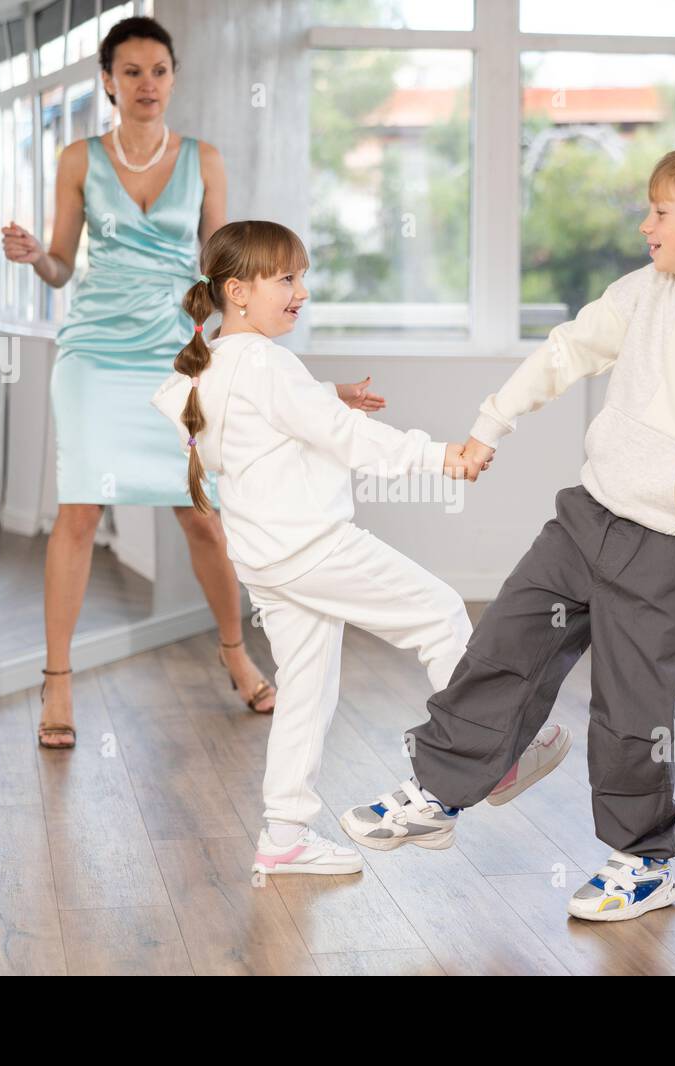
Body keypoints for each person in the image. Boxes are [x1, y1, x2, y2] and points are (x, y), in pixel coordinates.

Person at [341, 145, 675, 922]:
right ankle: (438, 792)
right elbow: (567, 352)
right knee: (503, 648)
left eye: (660, 211)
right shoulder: (644, 291)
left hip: (668, 552)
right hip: (586, 520)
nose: (646, 223)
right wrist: (492, 422)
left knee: (634, 712)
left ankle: (644, 861)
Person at [151, 220, 569, 875]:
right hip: (313, 548)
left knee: (307, 691)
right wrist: (442, 456)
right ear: (237, 290)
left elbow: (273, 413)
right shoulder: (267, 363)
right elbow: (349, 439)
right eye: (286, 278)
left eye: (302, 277)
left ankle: (284, 837)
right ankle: (507, 750)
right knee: (438, 612)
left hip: (264, 560)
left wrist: (331, 392)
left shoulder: (214, 364)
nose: (302, 292)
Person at [1, 16, 278, 745]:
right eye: (131, 71)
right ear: (108, 82)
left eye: (158, 69)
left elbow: (222, 274)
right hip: (94, 355)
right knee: (81, 513)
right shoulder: (78, 159)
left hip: (173, 354)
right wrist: (36, 257)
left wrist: (238, 347)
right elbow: (63, 265)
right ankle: (56, 684)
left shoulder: (206, 160)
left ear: (174, 77)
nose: (146, 83)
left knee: (201, 516)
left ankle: (235, 654)